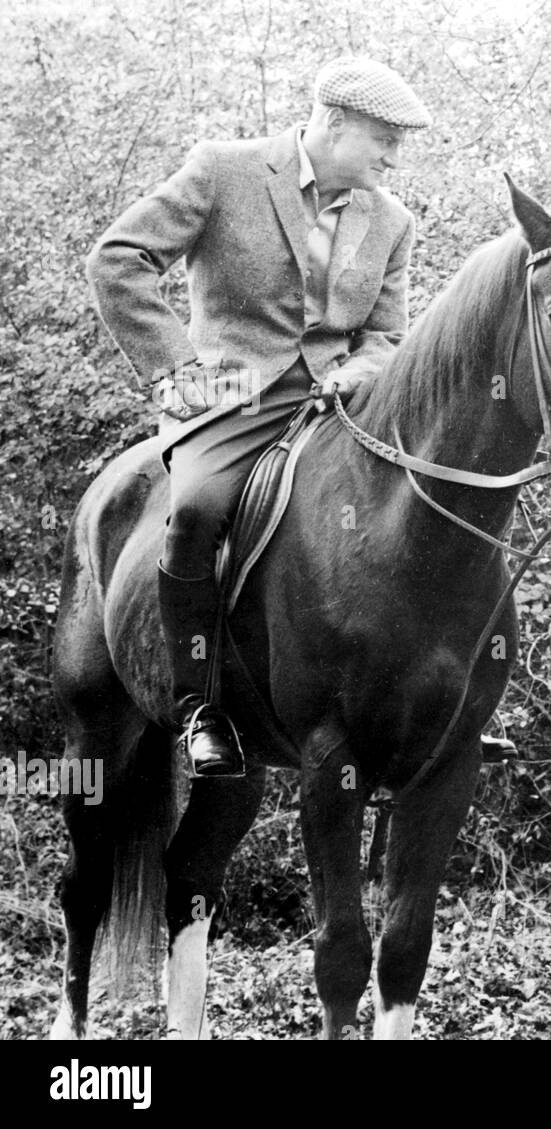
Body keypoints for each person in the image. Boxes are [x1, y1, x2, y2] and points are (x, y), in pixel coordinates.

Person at [86, 57, 517, 777]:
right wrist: (175, 371)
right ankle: (200, 708)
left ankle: (439, 707)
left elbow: (386, 335)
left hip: (337, 407)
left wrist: (353, 372)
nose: (393, 155)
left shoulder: (393, 220)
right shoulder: (224, 171)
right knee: (195, 511)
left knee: (427, 513)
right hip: (229, 403)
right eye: (384, 138)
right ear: (335, 121)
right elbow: (118, 259)